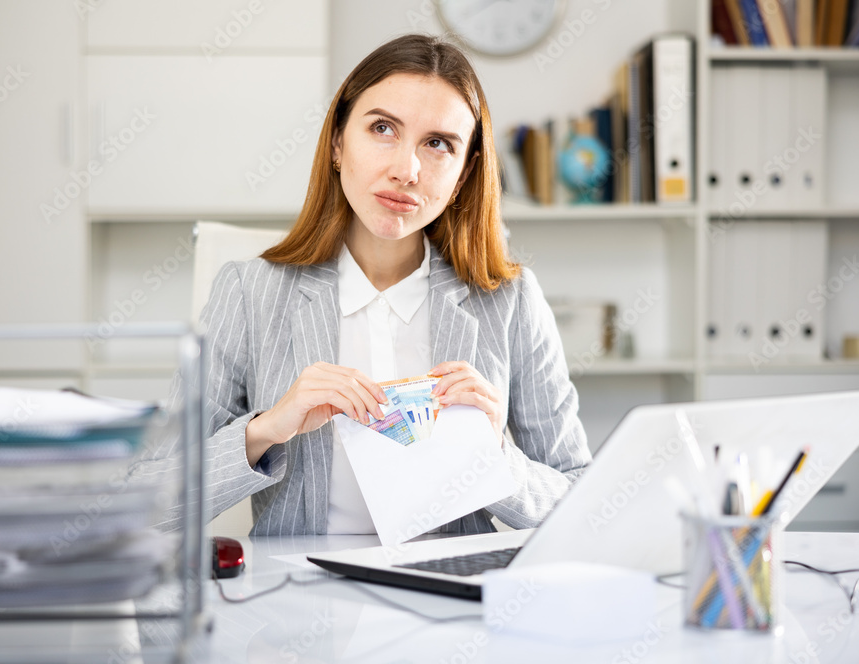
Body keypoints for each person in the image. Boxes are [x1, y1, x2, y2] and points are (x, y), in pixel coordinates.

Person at [201, 33, 591, 536]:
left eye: (438, 144)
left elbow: (581, 502)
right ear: (338, 142)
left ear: (463, 175)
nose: (407, 170)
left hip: (451, 600)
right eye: (383, 128)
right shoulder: (247, 293)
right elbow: (156, 499)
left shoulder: (511, 300)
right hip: (297, 599)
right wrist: (266, 429)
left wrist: (496, 456)